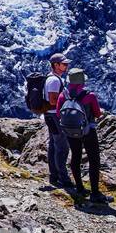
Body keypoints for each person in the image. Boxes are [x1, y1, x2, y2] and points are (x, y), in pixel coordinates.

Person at [56, 68, 110, 206]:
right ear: (82, 81)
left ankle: (79, 188)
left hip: (70, 132)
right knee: (94, 160)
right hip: (88, 131)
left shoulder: (63, 95)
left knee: (76, 156)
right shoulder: (89, 96)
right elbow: (97, 114)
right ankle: (95, 193)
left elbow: (58, 113)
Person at [42, 52, 71, 192]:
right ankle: (63, 178)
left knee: (54, 145)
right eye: (64, 64)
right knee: (62, 147)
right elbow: (53, 100)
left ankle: (54, 176)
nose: (66, 66)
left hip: (50, 116)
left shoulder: (53, 79)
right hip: (55, 117)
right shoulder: (54, 81)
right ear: (55, 65)